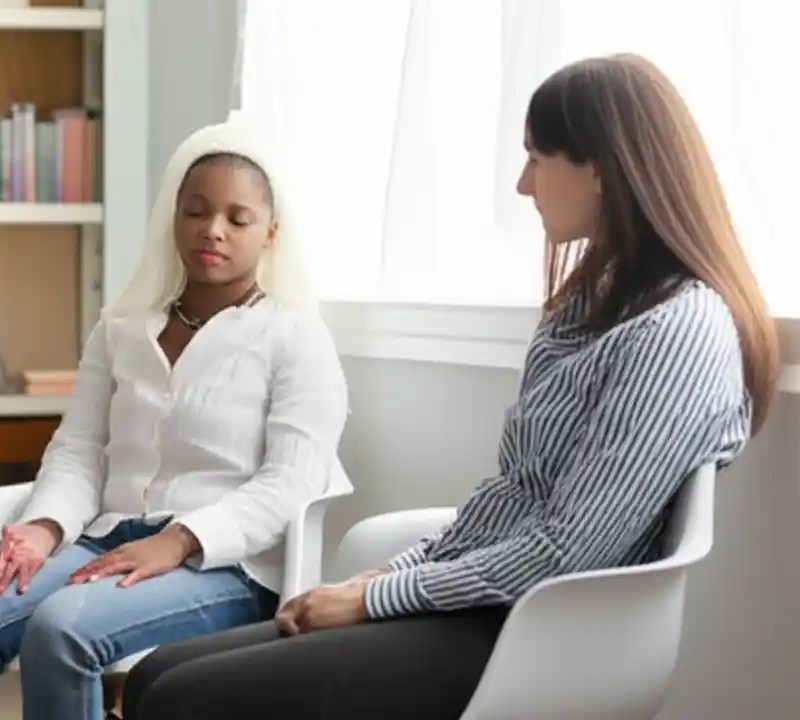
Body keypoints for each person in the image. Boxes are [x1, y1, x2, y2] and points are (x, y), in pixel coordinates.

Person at [123, 53, 781, 720]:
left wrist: (371, 599)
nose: (522, 184)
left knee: (182, 699)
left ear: (600, 170)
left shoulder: (678, 332)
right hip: (477, 605)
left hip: (534, 632)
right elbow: (506, 506)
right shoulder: (591, 309)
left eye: (537, 158)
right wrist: (385, 577)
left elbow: (567, 552)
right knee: (155, 675)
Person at [0, 115, 351, 720]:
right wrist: (44, 526)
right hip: (105, 539)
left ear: (270, 233)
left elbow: (291, 482)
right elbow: (79, 450)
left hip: (223, 564)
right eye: (196, 211)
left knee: (61, 630)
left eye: (238, 218)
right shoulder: (121, 329)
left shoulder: (296, 338)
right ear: (173, 217)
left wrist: (179, 541)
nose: (213, 230)